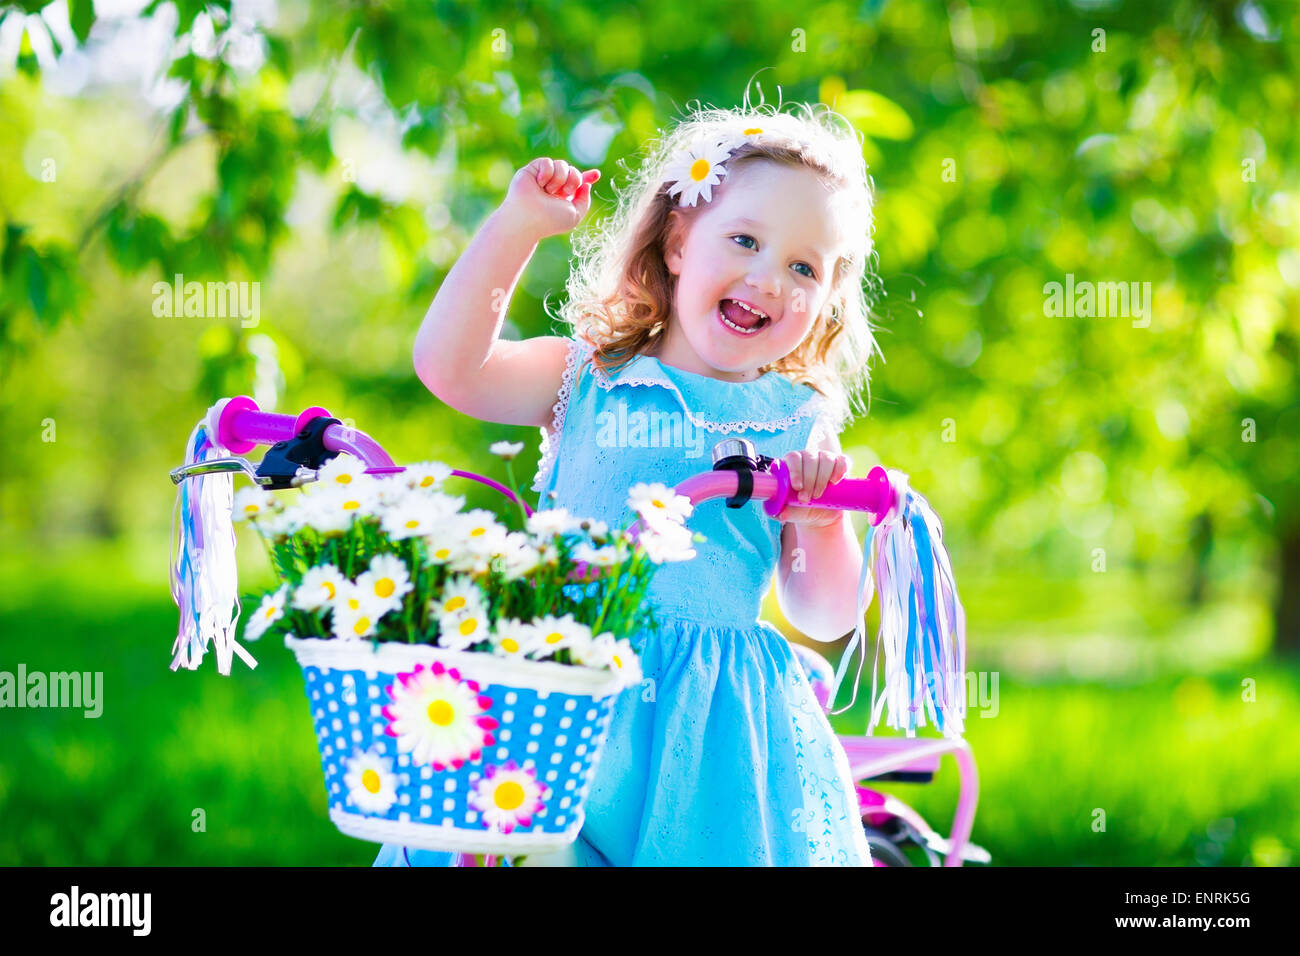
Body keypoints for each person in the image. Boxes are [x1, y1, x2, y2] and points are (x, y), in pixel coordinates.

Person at [375, 102, 883, 866]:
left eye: (804, 268)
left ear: (827, 298)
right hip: (559, 692)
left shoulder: (797, 423)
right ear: (678, 242)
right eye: (744, 239)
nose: (768, 279)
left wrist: (819, 524)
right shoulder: (588, 379)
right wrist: (518, 225)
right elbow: (450, 367)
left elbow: (827, 609)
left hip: (713, 742)